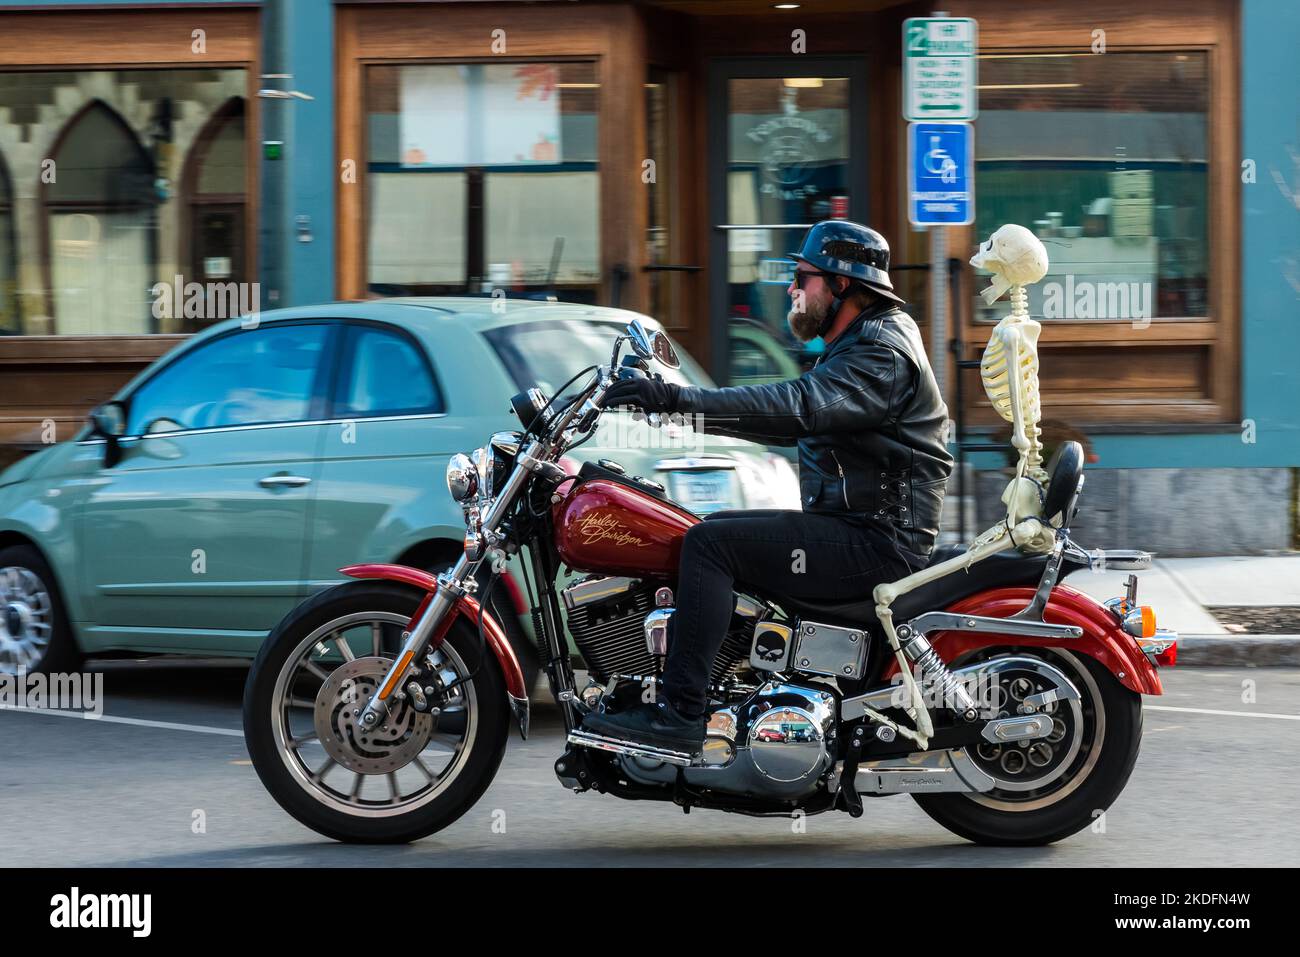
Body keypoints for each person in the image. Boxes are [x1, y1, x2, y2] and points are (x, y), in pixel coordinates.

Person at [581, 221, 953, 755]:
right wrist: (679, 409)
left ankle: (680, 714)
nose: (791, 289)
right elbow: (794, 414)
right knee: (698, 530)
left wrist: (677, 401)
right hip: (857, 530)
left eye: (803, 277)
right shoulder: (865, 341)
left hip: (876, 543)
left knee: (711, 545)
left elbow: (798, 407)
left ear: (842, 284)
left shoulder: (880, 353)